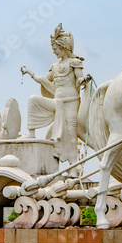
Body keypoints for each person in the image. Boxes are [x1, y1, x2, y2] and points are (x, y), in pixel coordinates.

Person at [21, 24, 86, 163]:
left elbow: (80, 78)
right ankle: (31, 133)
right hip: (57, 103)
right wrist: (29, 72)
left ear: (62, 47)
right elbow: (43, 79)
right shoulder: (55, 67)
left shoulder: (74, 62)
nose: (54, 52)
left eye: (55, 49)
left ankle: (73, 167)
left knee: (71, 134)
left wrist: (82, 81)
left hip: (71, 103)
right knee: (33, 99)